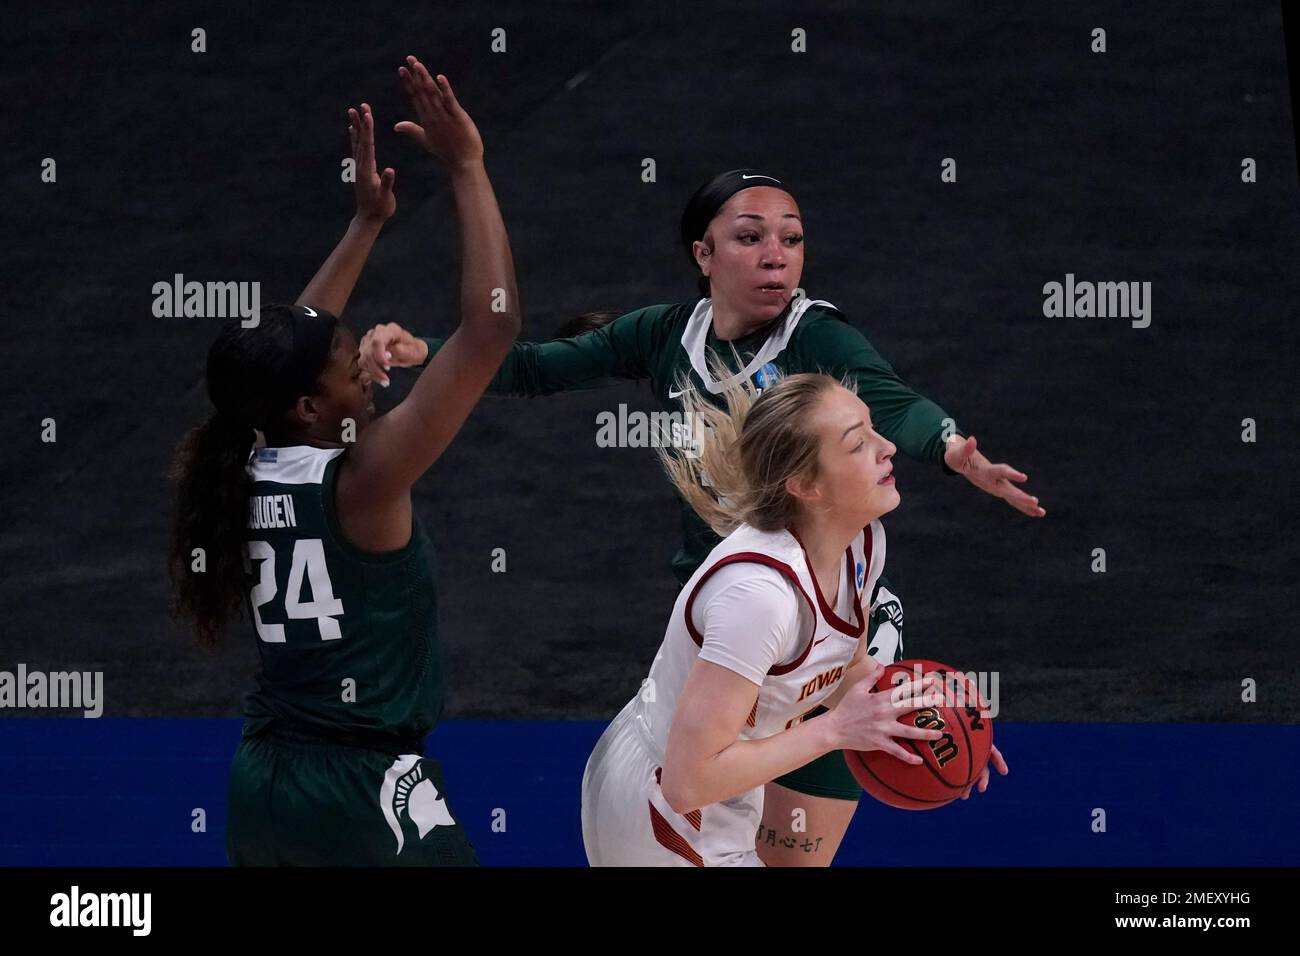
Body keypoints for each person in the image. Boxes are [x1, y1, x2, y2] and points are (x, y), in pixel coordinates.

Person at [362, 168, 1032, 864]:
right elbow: (535, 367)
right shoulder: (667, 338)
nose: (777, 254)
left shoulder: (820, 348)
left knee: (792, 852)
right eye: (750, 237)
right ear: (702, 254)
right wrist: (429, 353)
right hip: (748, 632)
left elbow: (893, 398)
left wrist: (953, 448)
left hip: (812, 639)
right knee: (712, 770)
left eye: (792, 239)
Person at [167, 58, 520, 865]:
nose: (361, 353)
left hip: (263, 784)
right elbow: (492, 328)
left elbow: (284, 351)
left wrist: (367, 223)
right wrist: (466, 166)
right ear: (308, 408)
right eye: (344, 358)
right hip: (366, 796)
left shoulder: (244, 453)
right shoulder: (363, 479)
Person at [581, 371, 1002, 865]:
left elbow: (845, 668)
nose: (888, 447)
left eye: (873, 429)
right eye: (857, 443)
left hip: (718, 787)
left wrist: (940, 728)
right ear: (804, 485)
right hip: (662, 811)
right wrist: (837, 730)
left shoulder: (862, 543)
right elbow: (686, 782)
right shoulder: (760, 598)